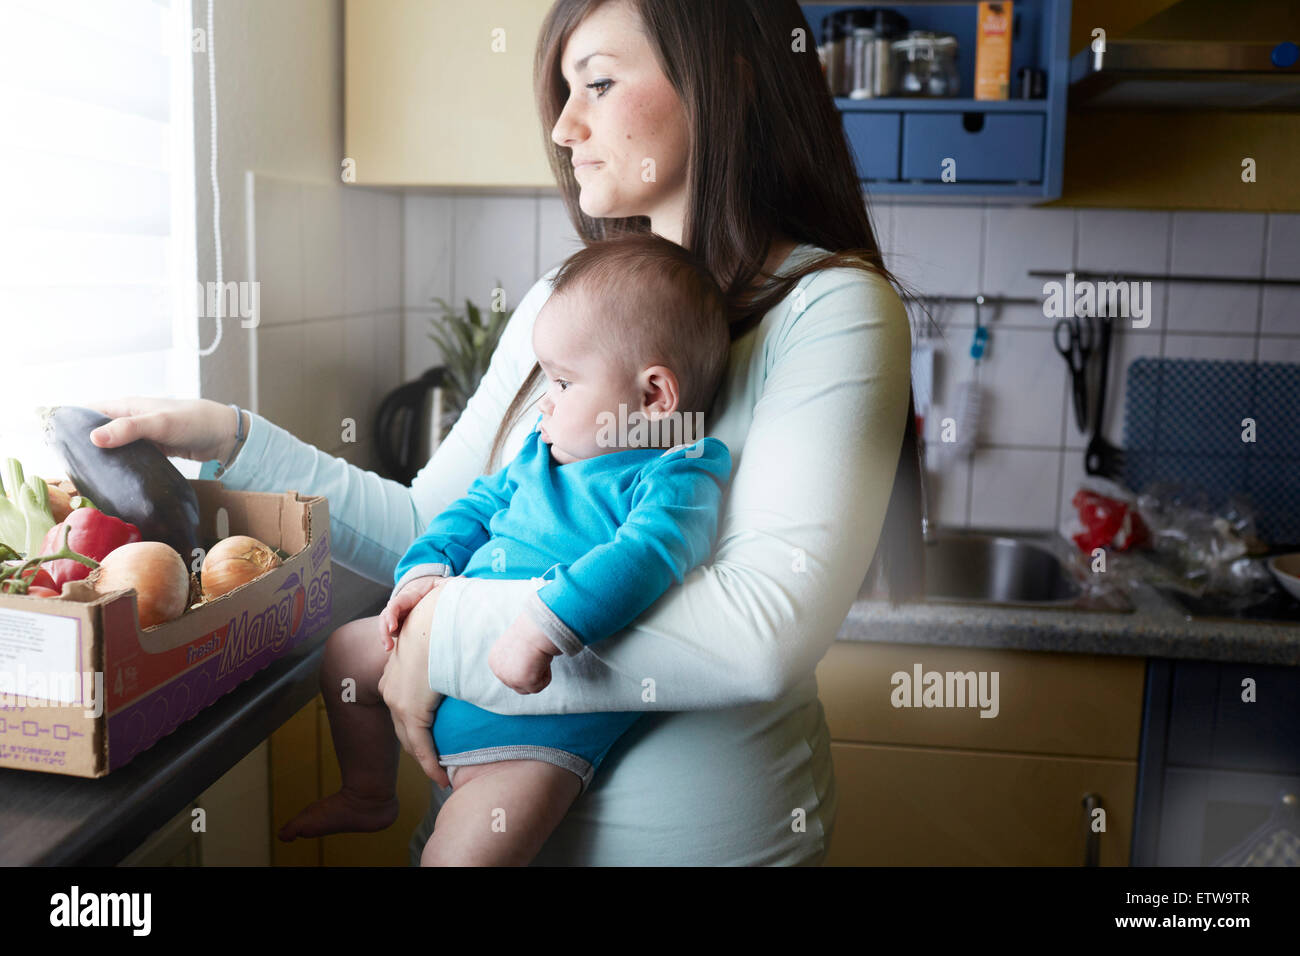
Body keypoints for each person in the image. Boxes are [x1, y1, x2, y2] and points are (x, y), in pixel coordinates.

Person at [88, 0, 922, 866]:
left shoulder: (830, 308)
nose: (564, 126)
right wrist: (230, 435)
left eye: (598, 82)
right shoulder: (564, 300)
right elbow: (429, 526)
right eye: (565, 90)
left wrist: (440, 635)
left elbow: (761, 632)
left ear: (728, 81)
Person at [277, 234, 733, 865]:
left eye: (566, 383)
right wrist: (423, 572)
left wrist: (545, 627)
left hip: (531, 742)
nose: (546, 400)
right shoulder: (537, 456)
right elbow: (470, 509)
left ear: (655, 397)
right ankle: (368, 792)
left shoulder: (677, 474)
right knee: (344, 654)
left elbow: (647, 557)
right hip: (448, 672)